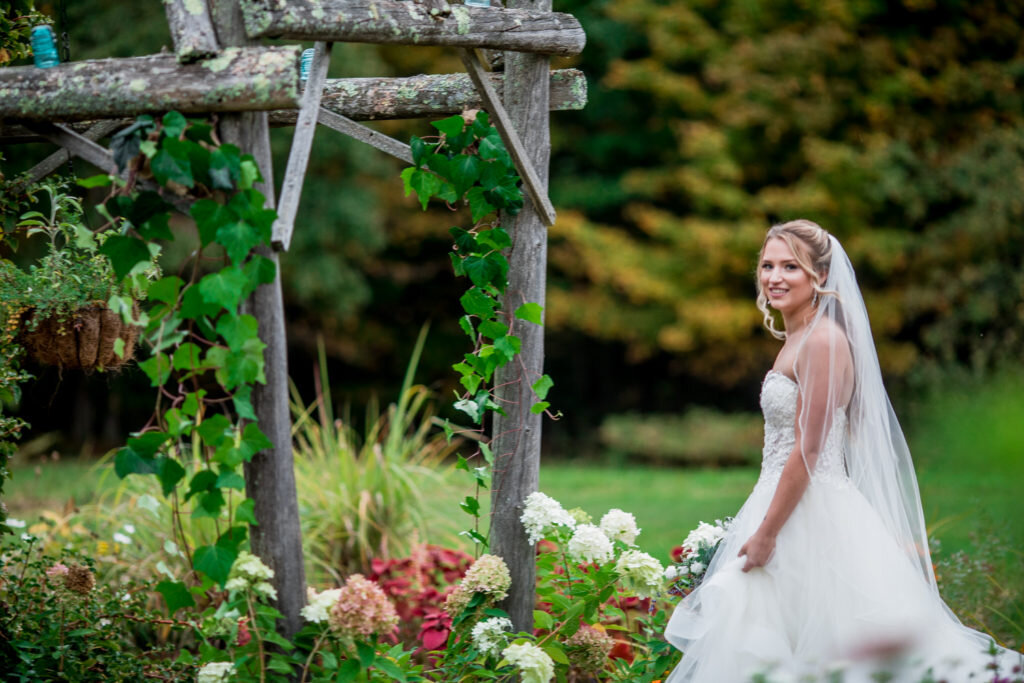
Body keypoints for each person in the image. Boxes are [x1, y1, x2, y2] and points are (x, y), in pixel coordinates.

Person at [663, 220, 1020, 682]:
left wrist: (768, 534)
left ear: (819, 276)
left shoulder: (823, 342)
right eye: (768, 265)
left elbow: (809, 451)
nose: (774, 277)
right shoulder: (796, 339)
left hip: (811, 516)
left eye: (790, 266)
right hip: (781, 499)